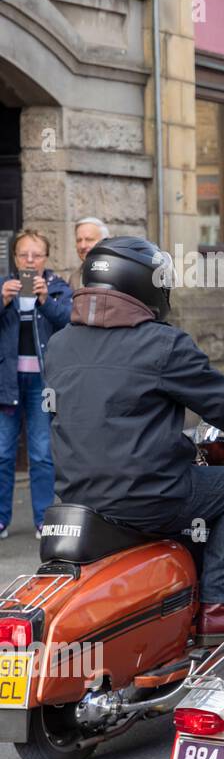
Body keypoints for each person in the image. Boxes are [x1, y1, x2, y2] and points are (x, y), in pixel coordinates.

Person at [43, 236, 224, 637]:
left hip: (76, 496)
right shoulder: (163, 344)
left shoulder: (58, 345)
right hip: (145, 495)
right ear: (144, 286)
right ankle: (219, 604)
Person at [1, 229, 72, 540]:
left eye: (36, 255)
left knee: (42, 453)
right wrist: (2, 301)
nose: (29, 261)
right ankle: (1, 519)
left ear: (46, 258)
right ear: (15, 258)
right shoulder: (3, 287)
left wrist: (44, 300)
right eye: (23, 255)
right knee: (2, 453)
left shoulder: (57, 287)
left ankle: (44, 519)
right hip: (7, 381)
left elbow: (70, 322)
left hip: (43, 383)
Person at [72, 218, 110, 290]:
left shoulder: (117, 273)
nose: (83, 246)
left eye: (89, 239)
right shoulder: (74, 278)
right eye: (79, 240)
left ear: (105, 241)